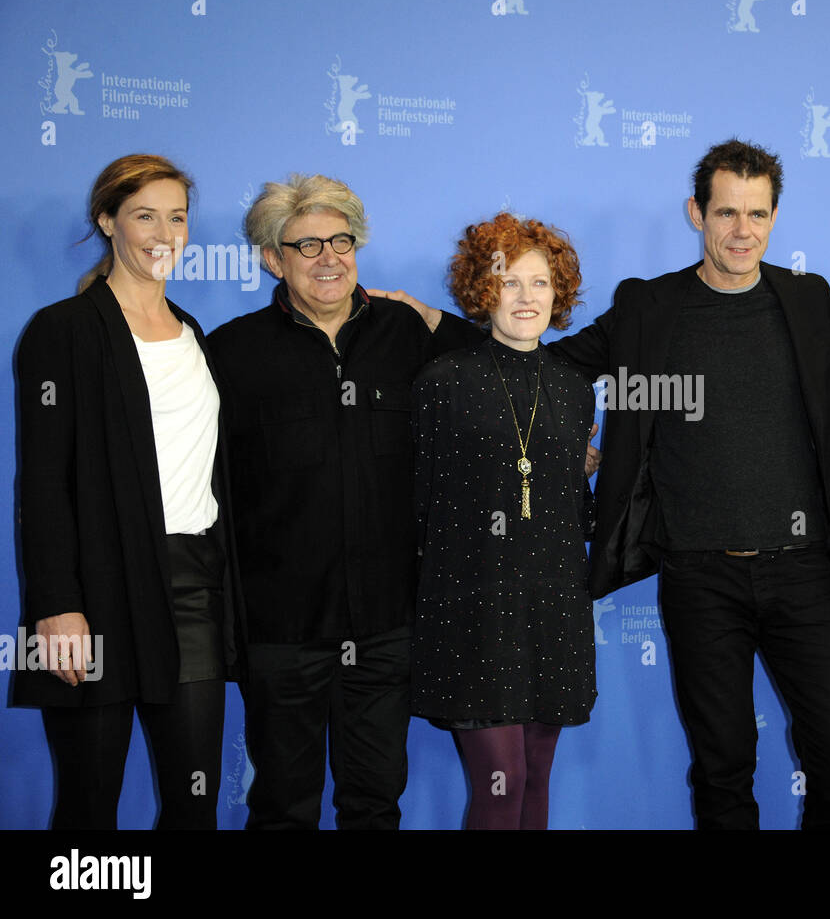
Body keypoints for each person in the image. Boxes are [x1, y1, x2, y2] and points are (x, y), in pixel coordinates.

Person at [373, 139, 830, 829]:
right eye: (726, 212)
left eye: (757, 213)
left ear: (775, 218)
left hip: (804, 574)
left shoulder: (809, 301)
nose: (742, 230)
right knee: (723, 768)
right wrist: (433, 324)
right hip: (700, 578)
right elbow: (536, 359)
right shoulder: (648, 308)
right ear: (697, 213)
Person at [206, 174, 477, 829]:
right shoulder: (230, 353)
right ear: (273, 258)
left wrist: (434, 316)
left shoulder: (407, 334)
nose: (330, 258)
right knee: (282, 808)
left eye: (341, 240)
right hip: (281, 634)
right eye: (307, 246)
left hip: (387, 626)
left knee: (375, 804)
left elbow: (506, 369)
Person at [12, 153, 242, 829]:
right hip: (99, 588)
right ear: (108, 221)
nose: (164, 231)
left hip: (193, 586)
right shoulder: (64, 330)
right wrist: (57, 606)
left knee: (194, 804)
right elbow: (44, 479)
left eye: (177, 217)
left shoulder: (195, 333)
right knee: (88, 808)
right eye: (146, 215)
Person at [410, 213, 596, 829]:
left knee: (537, 780)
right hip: (475, 612)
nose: (525, 297)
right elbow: (422, 504)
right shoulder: (444, 381)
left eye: (539, 283)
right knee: (501, 785)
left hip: (554, 609)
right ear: (483, 291)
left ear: (558, 292)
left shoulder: (574, 389)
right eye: (509, 282)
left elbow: (572, 503)